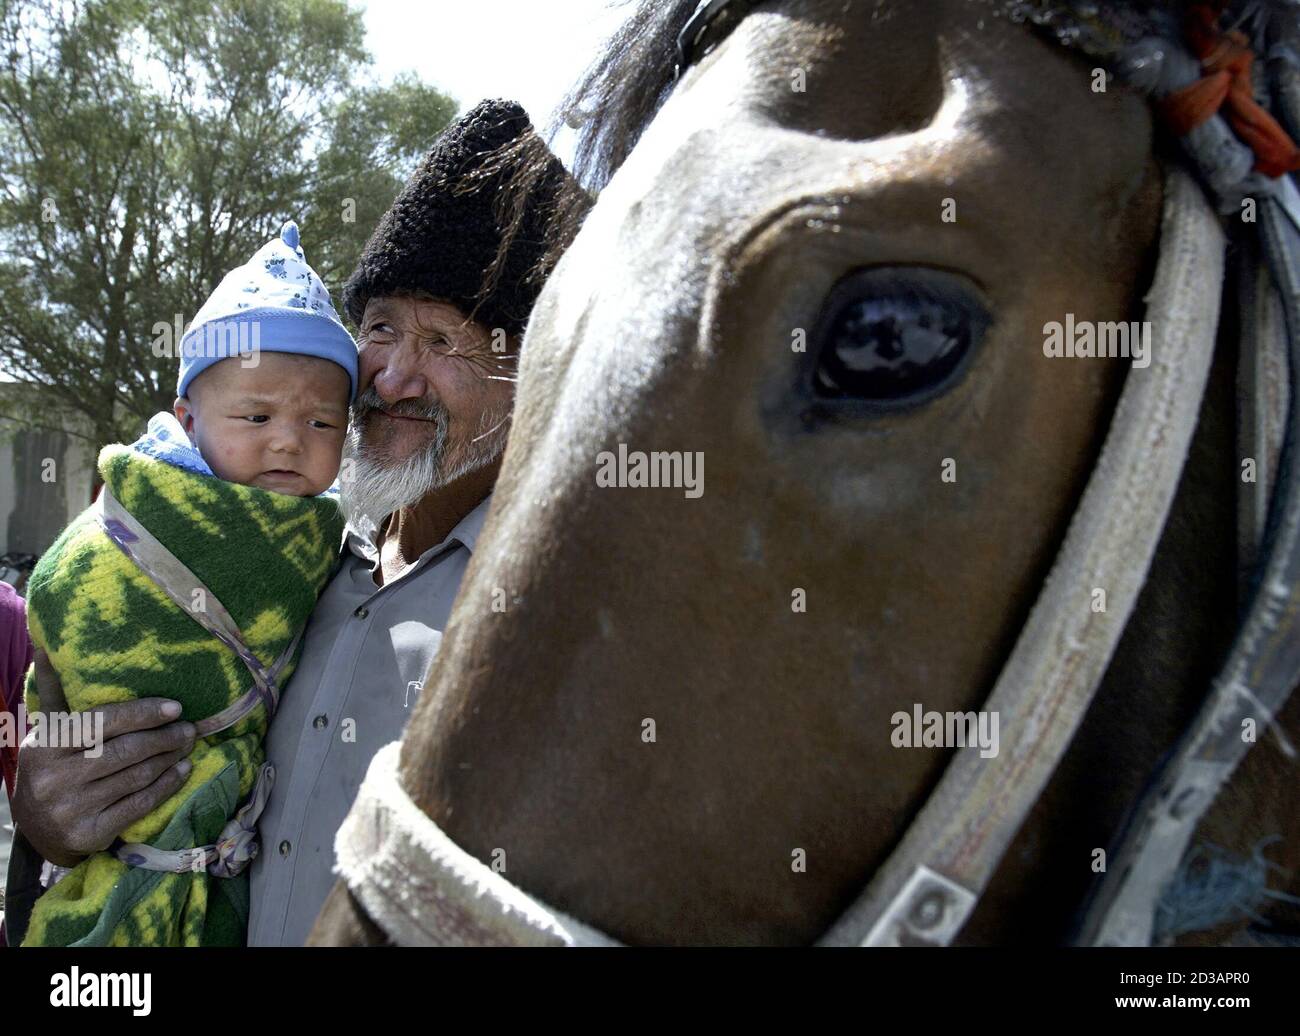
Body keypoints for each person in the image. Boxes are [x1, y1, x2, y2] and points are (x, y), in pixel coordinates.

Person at [7, 98, 584, 946]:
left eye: (444, 342)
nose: (389, 378)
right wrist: (47, 810)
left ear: (527, 369)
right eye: (380, 329)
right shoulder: (292, 563)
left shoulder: (558, 609)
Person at [14, 222, 357, 945]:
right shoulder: (130, 527)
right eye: (256, 415)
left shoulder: (337, 556)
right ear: (186, 420)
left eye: (323, 420)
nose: (290, 440)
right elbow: (62, 605)